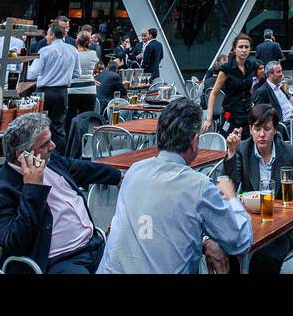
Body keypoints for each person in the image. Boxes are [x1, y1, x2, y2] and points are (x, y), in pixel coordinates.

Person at [99, 98, 252, 273]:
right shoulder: (198, 186)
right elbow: (241, 241)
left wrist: (204, 241)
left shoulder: (134, 171)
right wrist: (232, 198)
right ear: (195, 141)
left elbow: (154, 227)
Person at [0, 112, 122, 272]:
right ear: (23, 156)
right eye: (44, 144)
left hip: (94, 243)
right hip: (58, 261)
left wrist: (117, 177)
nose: (53, 146)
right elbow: (16, 242)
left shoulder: (50, 161)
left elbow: (80, 168)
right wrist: (33, 189)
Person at [223, 105, 293, 273]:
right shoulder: (242, 150)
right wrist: (231, 153)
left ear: (275, 130)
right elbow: (230, 186)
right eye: (257, 129)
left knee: (266, 257)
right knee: (230, 251)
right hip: (250, 223)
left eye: (267, 129)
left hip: (280, 226)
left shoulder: (289, 152)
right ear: (250, 129)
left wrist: (289, 213)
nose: (262, 134)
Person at [19, 24, 77, 139]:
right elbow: (77, 73)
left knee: (38, 126)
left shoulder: (45, 50)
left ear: (53, 35)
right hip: (62, 92)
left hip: (44, 92)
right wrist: (63, 75)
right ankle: (59, 155)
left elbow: (32, 74)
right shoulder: (72, 50)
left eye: (48, 34)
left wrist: (22, 67)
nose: (46, 37)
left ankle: (40, 154)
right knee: (58, 127)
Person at [203, 34, 260, 133]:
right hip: (230, 113)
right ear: (234, 49)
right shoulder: (226, 69)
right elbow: (214, 93)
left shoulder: (252, 66)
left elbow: (250, 87)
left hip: (247, 112)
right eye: (240, 47)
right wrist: (209, 119)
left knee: (247, 142)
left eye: (246, 47)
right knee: (228, 139)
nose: (243, 50)